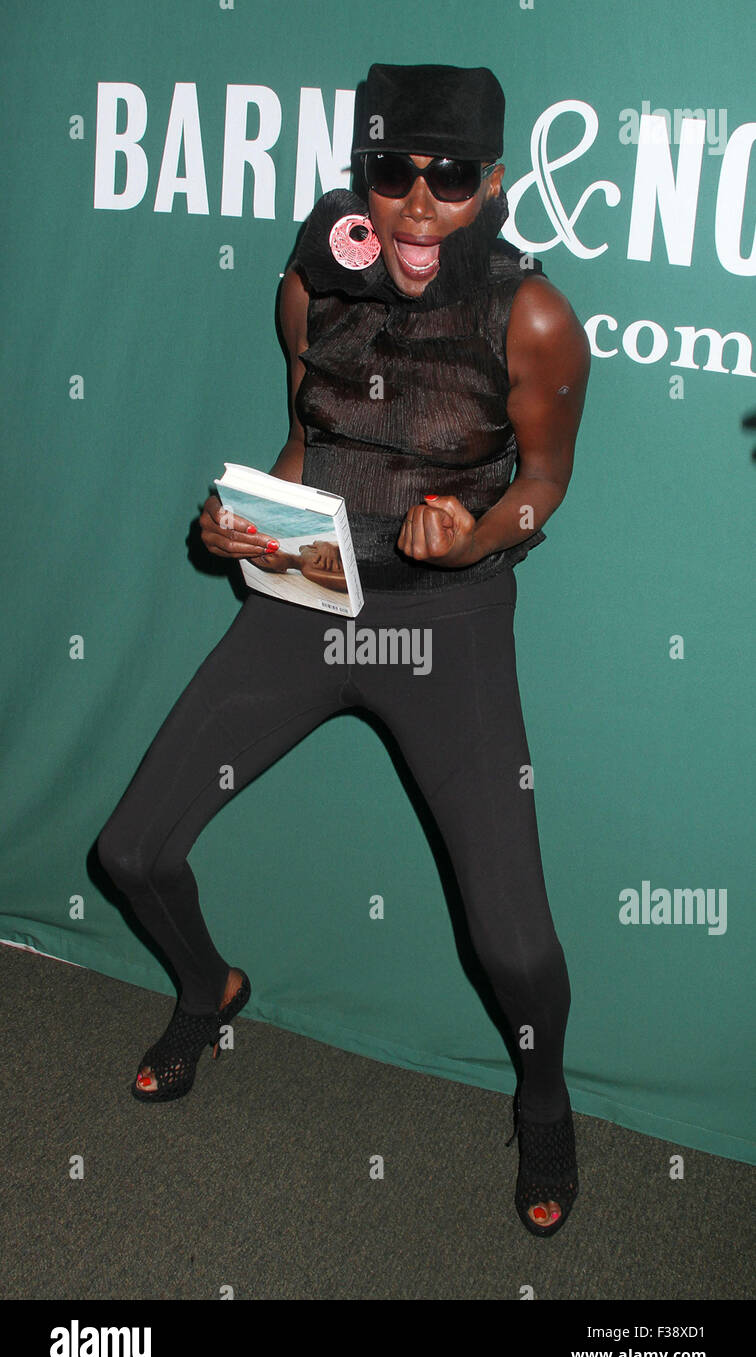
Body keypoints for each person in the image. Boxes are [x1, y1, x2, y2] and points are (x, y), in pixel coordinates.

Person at [97, 63, 591, 1240]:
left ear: (497, 182)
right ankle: (208, 989)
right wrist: (243, 517)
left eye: (452, 178)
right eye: (395, 175)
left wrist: (476, 537)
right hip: (308, 595)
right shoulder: (312, 285)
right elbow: (307, 440)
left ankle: (544, 1095)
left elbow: (547, 483)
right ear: (363, 171)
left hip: (450, 623)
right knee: (131, 848)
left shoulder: (533, 317)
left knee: (513, 941)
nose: (420, 207)